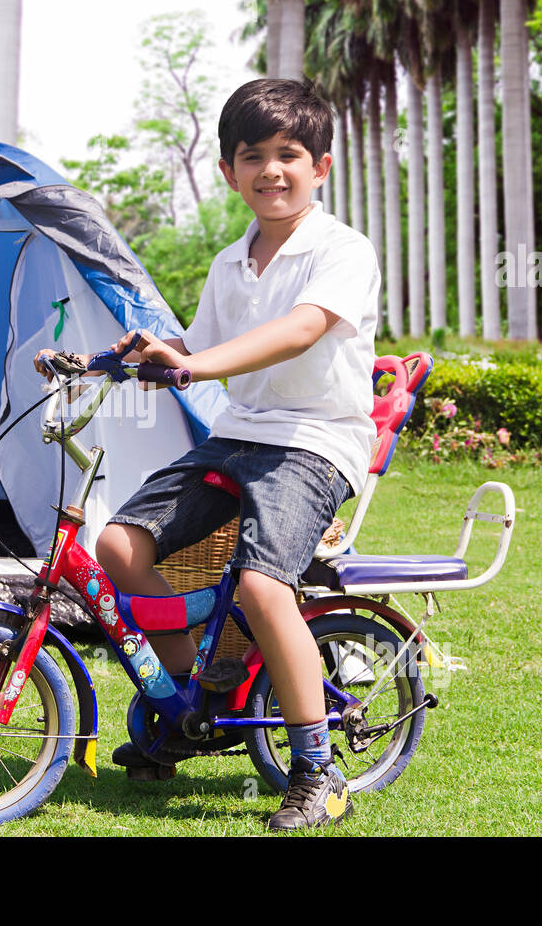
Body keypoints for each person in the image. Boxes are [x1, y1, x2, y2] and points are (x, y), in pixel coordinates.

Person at [37, 78, 380, 830]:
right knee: (121, 543)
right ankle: (197, 697)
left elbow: (298, 330)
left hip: (313, 442)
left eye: (289, 154)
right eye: (252, 156)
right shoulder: (232, 260)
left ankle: (317, 769)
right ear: (228, 172)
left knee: (262, 590)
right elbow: (199, 342)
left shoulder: (342, 250)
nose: (271, 171)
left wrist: (196, 367)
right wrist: (112, 357)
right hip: (242, 433)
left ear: (320, 166)